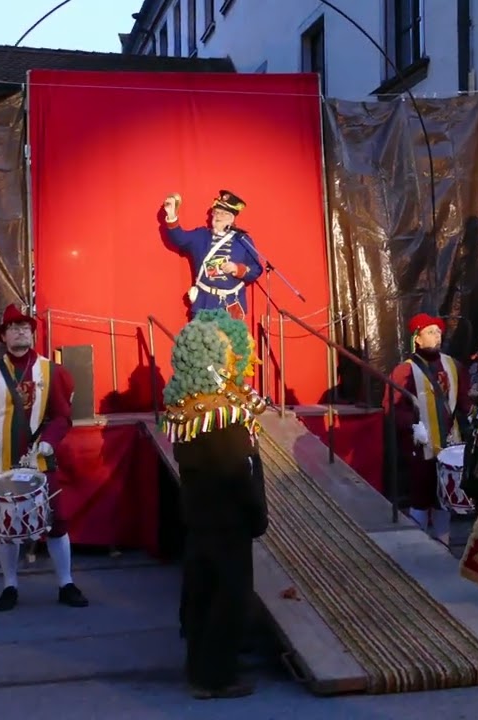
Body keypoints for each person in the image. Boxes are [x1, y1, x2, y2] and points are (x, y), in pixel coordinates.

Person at [162, 313, 268, 699]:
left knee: (201, 591)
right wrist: (257, 513)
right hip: (228, 519)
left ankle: (199, 669)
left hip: (199, 515)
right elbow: (240, 470)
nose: (229, 355)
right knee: (229, 596)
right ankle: (216, 677)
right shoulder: (223, 413)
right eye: (222, 349)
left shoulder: (185, 406)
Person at [0, 304, 88, 610]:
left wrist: (50, 442)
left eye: (26, 328)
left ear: (33, 334)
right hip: (2, 462)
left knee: (57, 521)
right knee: (5, 527)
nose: (21, 332)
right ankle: (10, 586)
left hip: (40, 461)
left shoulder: (51, 371)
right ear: (2, 336)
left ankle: (66, 582)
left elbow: (62, 416)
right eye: (13, 328)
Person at [386, 313, 471, 546]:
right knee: (421, 494)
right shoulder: (404, 371)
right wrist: (413, 427)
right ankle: (418, 543)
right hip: (421, 444)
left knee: (445, 496)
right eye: (431, 332)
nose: (437, 337)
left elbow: (465, 401)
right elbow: (393, 407)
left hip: (450, 443)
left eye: (439, 332)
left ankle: (443, 542)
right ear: (417, 338)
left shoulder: (454, 366)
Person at [161, 190, 264, 319]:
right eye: (216, 212)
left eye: (224, 213)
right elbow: (179, 239)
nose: (218, 216)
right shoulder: (201, 235)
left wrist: (238, 269)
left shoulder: (242, 240)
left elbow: (256, 269)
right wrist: (171, 216)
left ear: (232, 218)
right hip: (204, 302)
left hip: (231, 304)